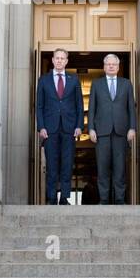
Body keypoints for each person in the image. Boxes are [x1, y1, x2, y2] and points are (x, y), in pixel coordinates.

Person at [35, 48, 84, 205]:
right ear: (52, 60)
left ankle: (64, 197)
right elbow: (39, 106)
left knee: (67, 163)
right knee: (52, 164)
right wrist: (41, 127)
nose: (60, 61)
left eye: (62, 58)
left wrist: (79, 126)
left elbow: (79, 105)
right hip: (50, 129)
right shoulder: (44, 80)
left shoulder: (74, 79)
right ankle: (51, 197)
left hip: (69, 129)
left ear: (67, 61)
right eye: (57, 58)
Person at [88, 53, 136, 205]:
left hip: (121, 132)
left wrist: (132, 128)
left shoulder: (127, 84)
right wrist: (91, 129)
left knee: (120, 168)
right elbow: (91, 109)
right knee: (103, 168)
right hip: (101, 132)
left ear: (118, 67)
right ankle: (103, 200)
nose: (110, 66)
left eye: (113, 64)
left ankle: (120, 199)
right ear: (104, 67)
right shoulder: (96, 84)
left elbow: (131, 109)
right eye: (108, 64)